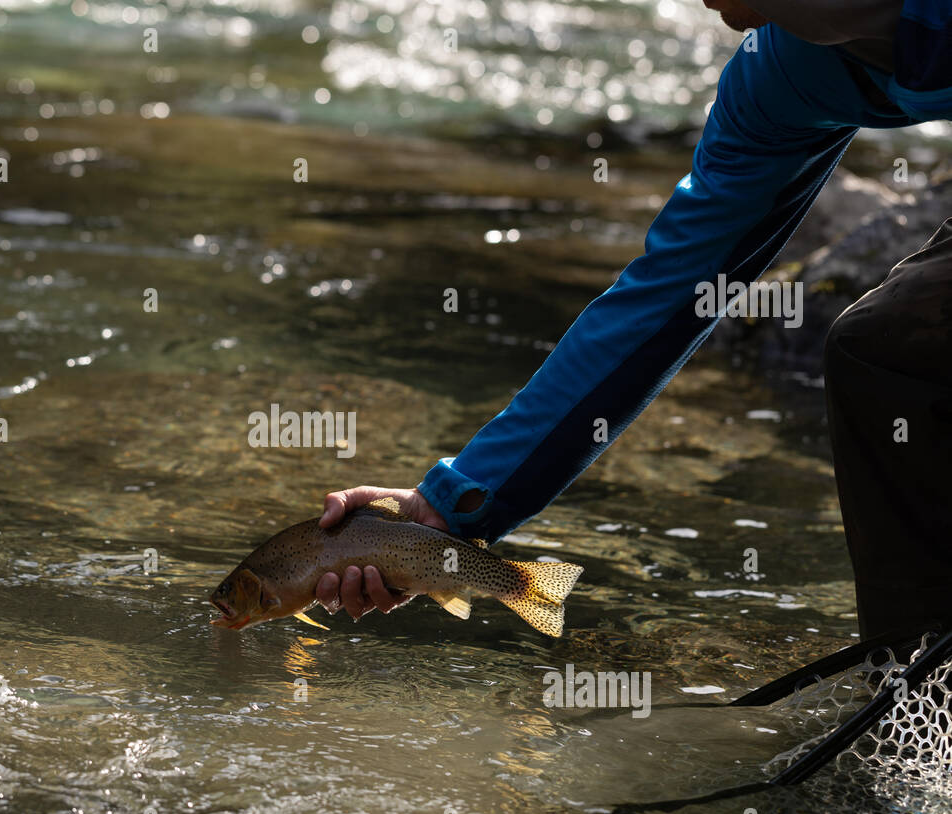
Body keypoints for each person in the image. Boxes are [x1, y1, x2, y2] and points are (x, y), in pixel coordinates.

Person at [315, 0, 952, 648]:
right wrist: (451, 507)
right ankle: (916, 684)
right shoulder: (779, 78)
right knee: (880, 351)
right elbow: (660, 302)